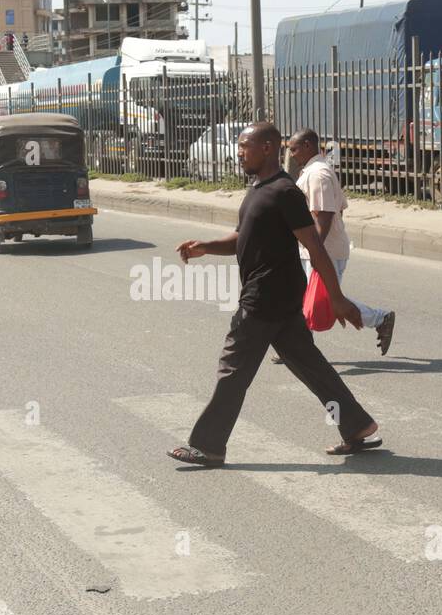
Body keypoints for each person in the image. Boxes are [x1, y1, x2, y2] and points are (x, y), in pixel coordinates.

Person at [167, 122, 381, 467]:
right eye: (238, 147)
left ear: (267, 147)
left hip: (265, 297)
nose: (239, 152)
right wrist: (204, 246)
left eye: (244, 146)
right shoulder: (258, 190)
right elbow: (242, 239)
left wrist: (336, 296)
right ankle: (357, 426)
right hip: (279, 298)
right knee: (310, 366)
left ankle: (208, 446)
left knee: (233, 367)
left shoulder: (285, 192)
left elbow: (315, 246)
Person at [287, 128, 395, 354]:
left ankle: (380, 318)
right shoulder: (316, 171)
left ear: (308, 146)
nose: (291, 154)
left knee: (327, 300)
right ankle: (297, 346)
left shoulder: (318, 174)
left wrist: (315, 252)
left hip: (324, 251)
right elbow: (338, 212)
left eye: (294, 149)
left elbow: (324, 216)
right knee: (312, 299)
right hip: (320, 249)